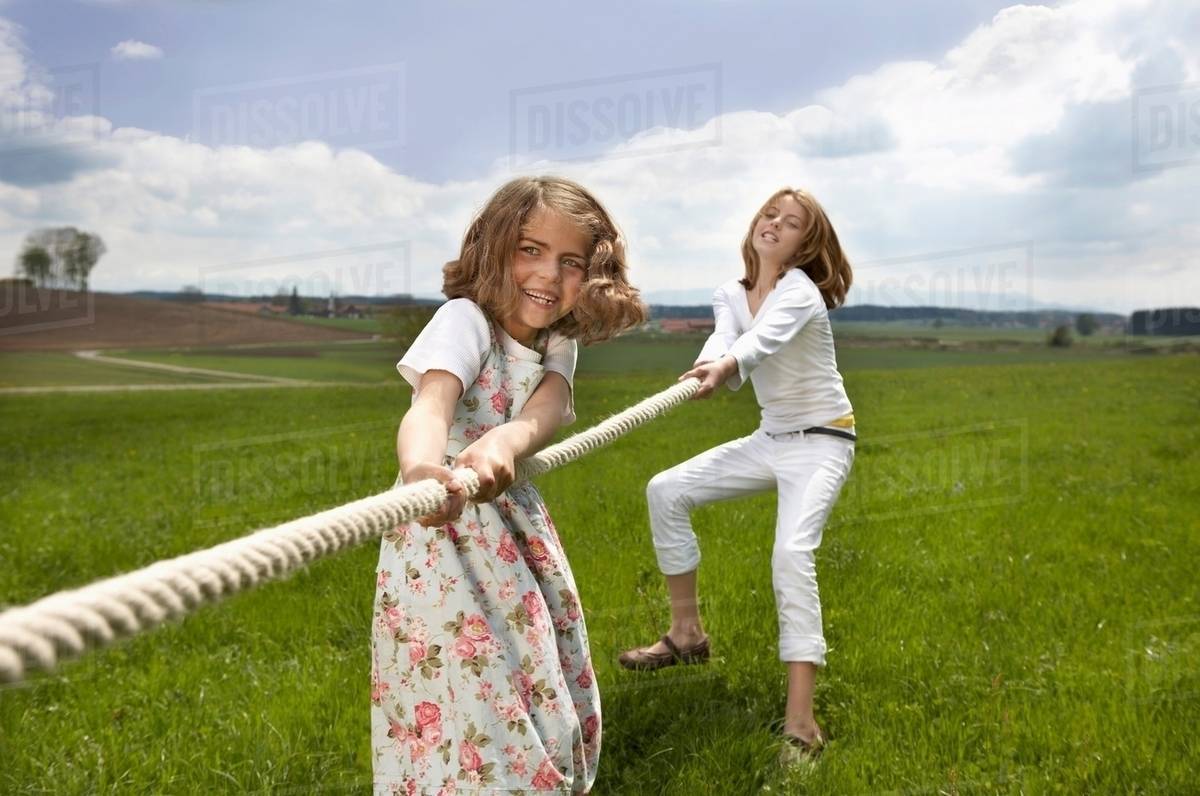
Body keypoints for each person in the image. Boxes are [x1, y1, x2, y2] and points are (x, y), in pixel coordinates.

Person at [371, 176, 646, 794]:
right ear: (493, 248)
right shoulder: (464, 320)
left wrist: (506, 441)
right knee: (469, 688)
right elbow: (431, 404)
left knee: (541, 672)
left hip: (513, 524)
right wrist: (420, 472)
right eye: (530, 250)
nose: (548, 275)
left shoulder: (558, 338)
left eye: (569, 261)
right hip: (444, 531)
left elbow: (546, 407)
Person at [618, 187, 855, 761]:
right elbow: (726, 336)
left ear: (806, 243)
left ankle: (802, 724)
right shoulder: (731, 291)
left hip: (824, 442)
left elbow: (756, 344)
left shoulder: (800, 293)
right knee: (666, 490)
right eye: (770, 214)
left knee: (791, 555)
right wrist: (708, 363)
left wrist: (726, 366)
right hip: (770, 439)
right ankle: (687, 636)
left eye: (792, 222)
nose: (775, 224)